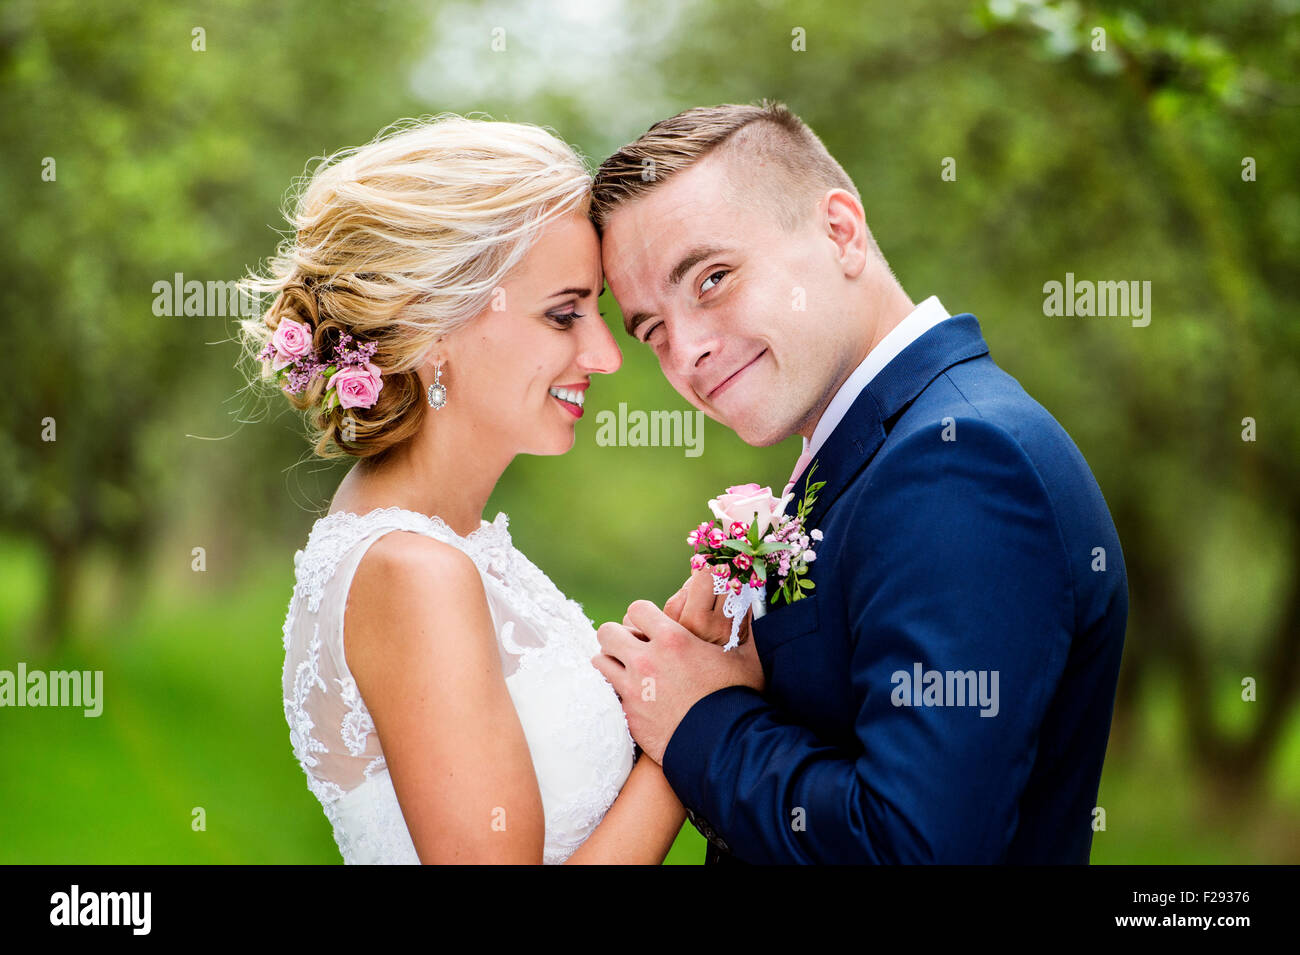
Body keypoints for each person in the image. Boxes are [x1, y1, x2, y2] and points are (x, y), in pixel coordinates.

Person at [590, 101, 1129, 864]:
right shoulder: (880, 451)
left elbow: (916, 845)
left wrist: (703, 717)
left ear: (841, 231)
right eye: (651, 329)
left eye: (712, 278)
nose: (687, 353)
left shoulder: (961, 461)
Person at [242, 115, 717, 863]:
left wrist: (683, 653)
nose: (604, 354)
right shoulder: (413, 572)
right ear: (433, 328)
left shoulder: (454, 542)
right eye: (564, 313)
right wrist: (695, 728)